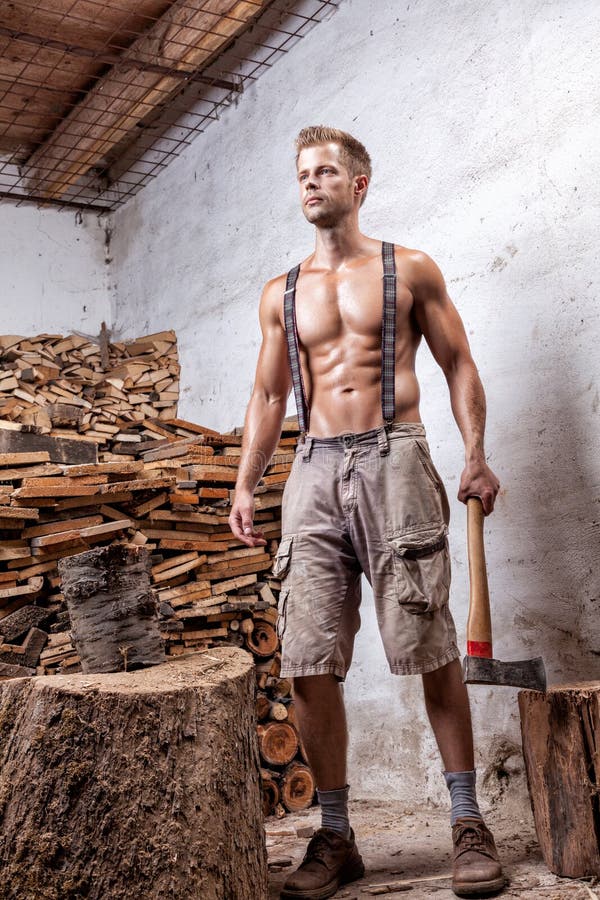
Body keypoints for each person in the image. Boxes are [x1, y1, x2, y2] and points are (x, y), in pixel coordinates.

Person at [229, 125, 504, 900]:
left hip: (397, 456)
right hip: (313, 470)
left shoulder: (408, 268)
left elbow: (458, 364)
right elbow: (269, 395)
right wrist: (247, 485)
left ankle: (465, 821)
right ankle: (338, 835)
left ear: (359, 184)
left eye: (325, 172)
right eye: (302, 174)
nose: (310, 184)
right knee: (308, 652)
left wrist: (475, 453)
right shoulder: (281, 292)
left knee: (427, 639)